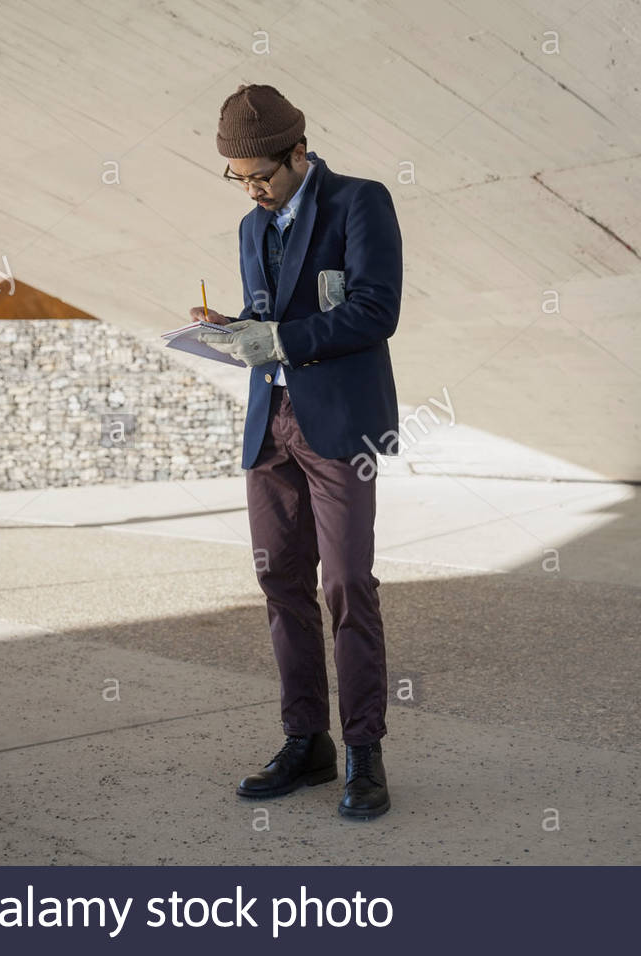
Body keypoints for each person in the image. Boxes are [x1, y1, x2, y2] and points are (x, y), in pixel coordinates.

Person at [189, 83, 403, 820]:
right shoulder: (252, 228)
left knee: (346, 586)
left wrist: (279, 339)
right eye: (239, 179)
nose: (251, 190)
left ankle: (364, 754)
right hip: (269, 423)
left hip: (340, 425)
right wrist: (232, 329)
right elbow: (264, 315)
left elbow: (377, 309)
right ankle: (306, 741)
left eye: (262, 176)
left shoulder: (360, 202)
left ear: (300, 152)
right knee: (281, 585)